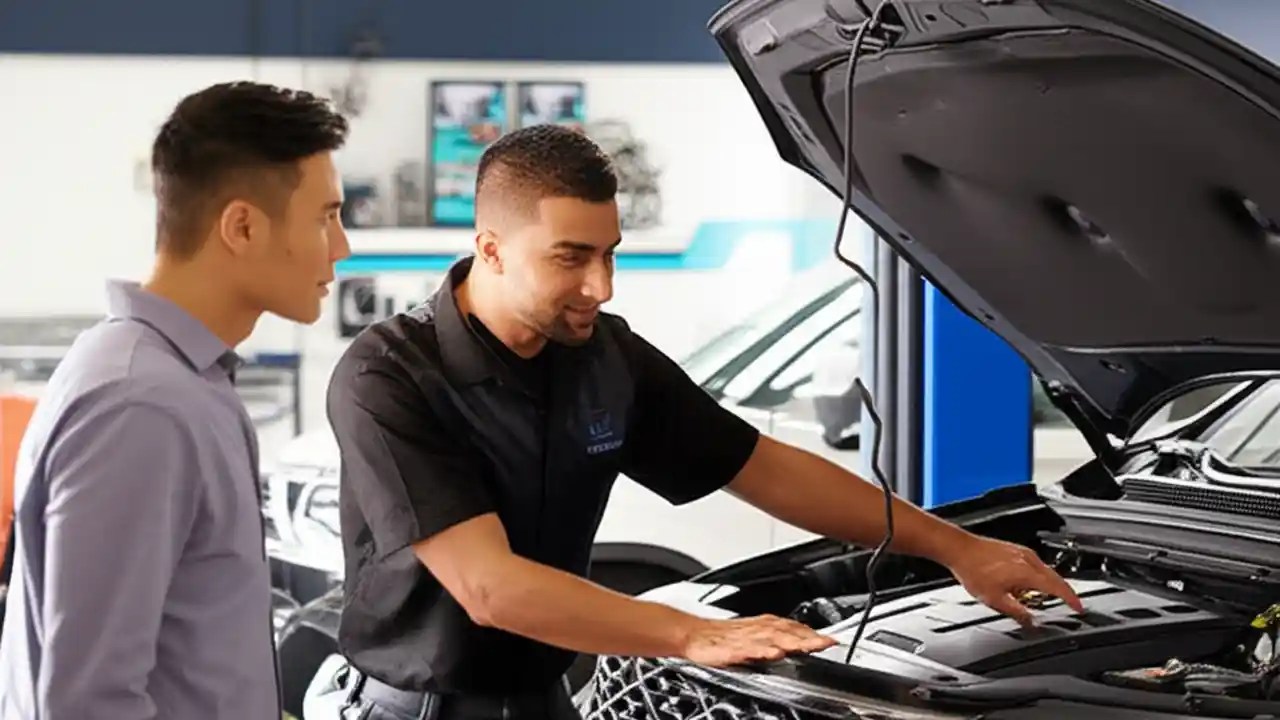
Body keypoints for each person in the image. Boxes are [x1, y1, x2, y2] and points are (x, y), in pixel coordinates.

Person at [321, 124, 1084, 720]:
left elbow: (763, 466)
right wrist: (691, 632)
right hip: (413, 708)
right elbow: (489, 589)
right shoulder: (389, 375)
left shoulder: (605, 358)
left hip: (545, 695)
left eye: (611, 255)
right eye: (571, 257)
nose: (602, 286)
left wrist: (956, 547)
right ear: (490, 249)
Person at [0, 81, 352, 720]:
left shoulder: (180, 381)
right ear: (241, 226)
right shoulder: (142, 407)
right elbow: (88, 704)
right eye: (326, 217)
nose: (342, 247)